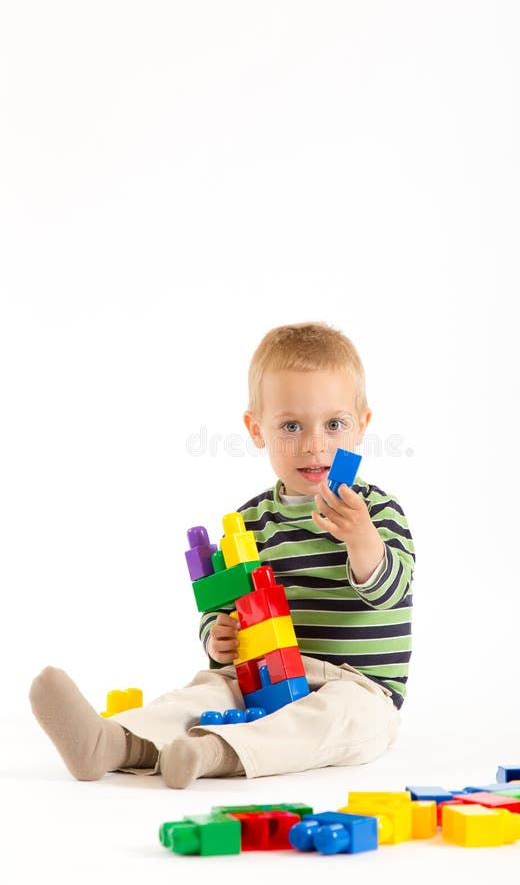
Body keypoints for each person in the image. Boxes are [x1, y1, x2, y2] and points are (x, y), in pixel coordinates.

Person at [29, 321, 415, 789]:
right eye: (291, 426)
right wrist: (218, 638)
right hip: (263, 676)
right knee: (205, 690)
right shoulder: (248, 522)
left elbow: (390, 592)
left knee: (345, 719)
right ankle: (116, 742)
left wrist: (361, 539)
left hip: (357, 684)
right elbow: (222, 607)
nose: (315, 444)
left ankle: (214, 752)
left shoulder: (376, 512)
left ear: (362, 426)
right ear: (256, 429)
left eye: (334, 424)